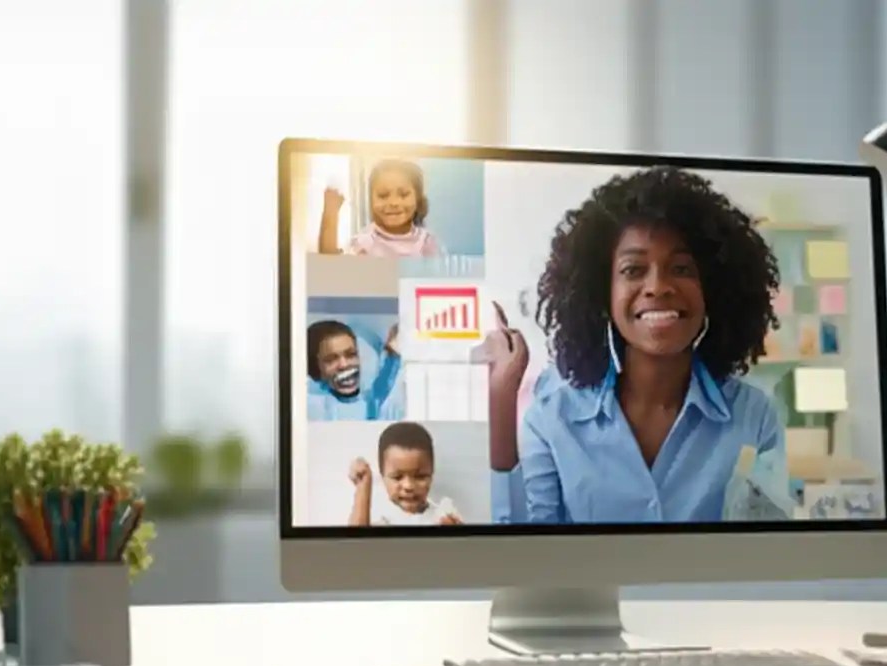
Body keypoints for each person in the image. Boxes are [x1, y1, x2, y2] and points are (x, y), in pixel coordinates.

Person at [484, 166, 787, 524]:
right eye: (633, 270)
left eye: (682, 268)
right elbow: (523, 547)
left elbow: (770, 546)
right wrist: (501, 397)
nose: (658, 287)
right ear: (602, 292)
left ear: (714, 289)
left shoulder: (754, 416)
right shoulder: (554, 417)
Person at [318, 158, 442, 257]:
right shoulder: (363, 244)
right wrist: (330, 213)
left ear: (417, 198)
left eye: (403, 194)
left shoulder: (427, 242)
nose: (393, 203)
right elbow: (332, 270)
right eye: (383, 195)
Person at [347, 421, 463, 526]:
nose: (409, 486)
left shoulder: (441, 515)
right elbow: (355, 539)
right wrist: (362, 487)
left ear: (431, 474)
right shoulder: (377, 514)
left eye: (420, 477)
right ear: (382, 475)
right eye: (397, 477)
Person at [307, 319, 405, 421]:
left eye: (351, 355)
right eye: (331, 360)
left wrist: (393, 356)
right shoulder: (313, 404)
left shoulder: (371, 400)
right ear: (315, 370)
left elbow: (382, 386)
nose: (344, 365)